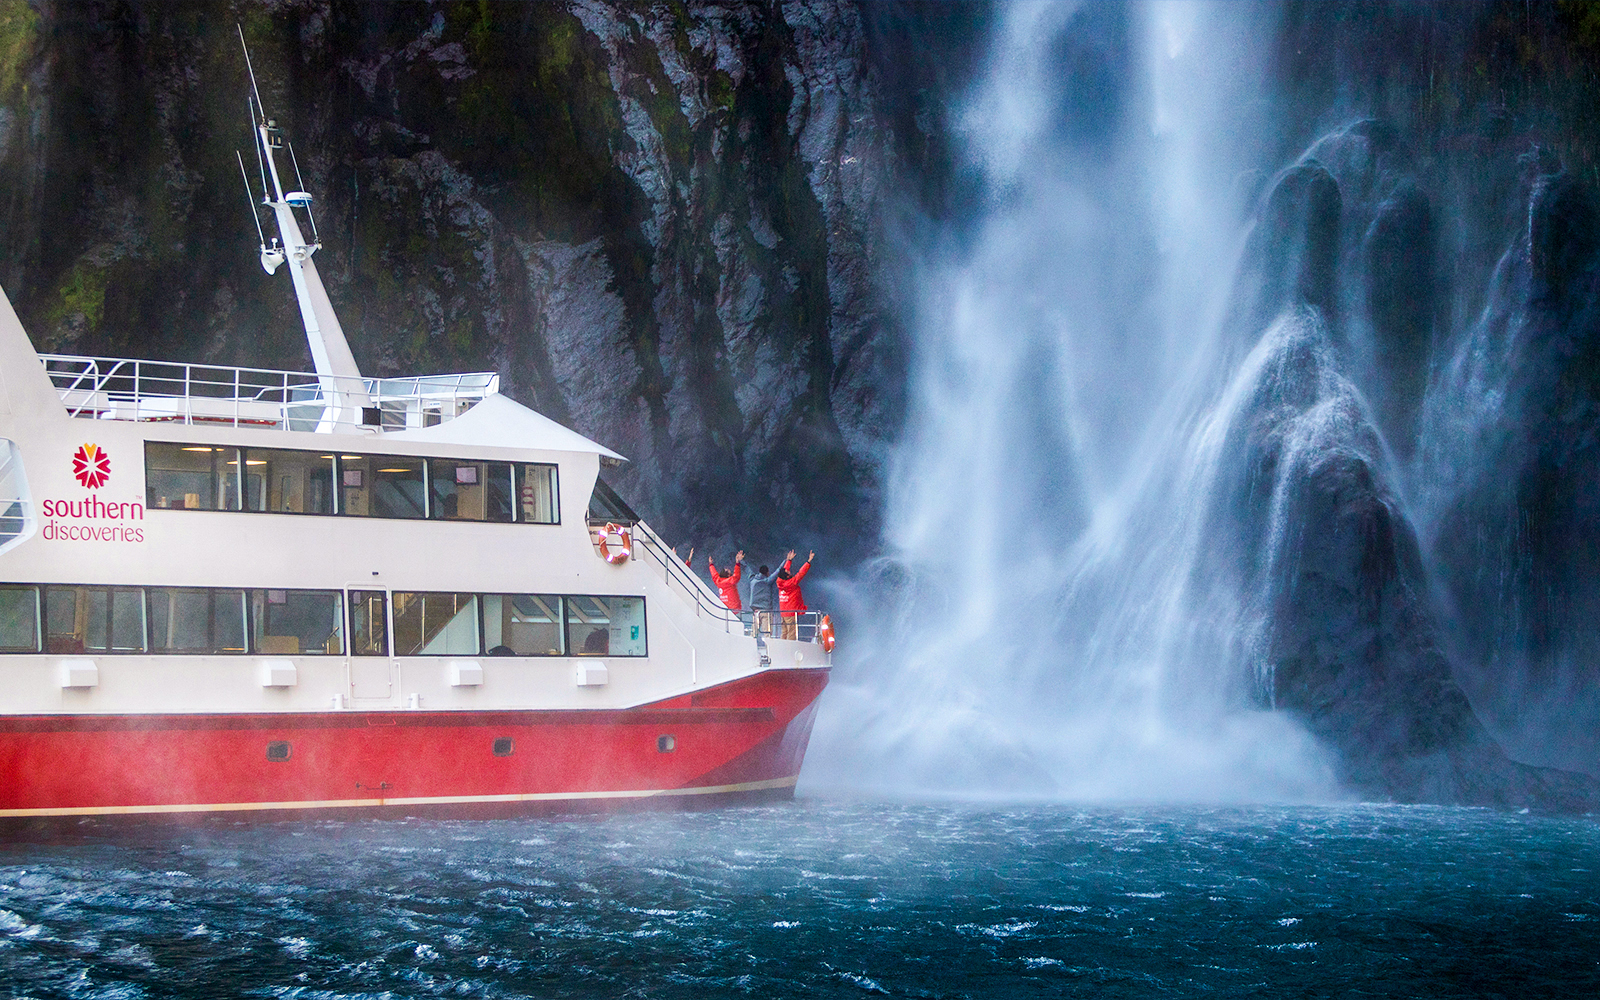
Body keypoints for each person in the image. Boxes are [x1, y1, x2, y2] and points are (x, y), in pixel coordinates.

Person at [777, 549, 813, 640]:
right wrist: (808, 561)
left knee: (784, 632)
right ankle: (789, 650)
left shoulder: (779, 581)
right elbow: (801, 573)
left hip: (783, 611)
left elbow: (785, 571)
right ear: (787, 576)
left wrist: (789, 561)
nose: (789, 571)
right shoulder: (791, 583)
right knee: (791, 632)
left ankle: (781, 647)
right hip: (791, 611)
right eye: (788, 572)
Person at [745, 559, 782, 637]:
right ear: (767, 572)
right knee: (767, 634)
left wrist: (741, 561)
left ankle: (750, 647)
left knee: (753, 634)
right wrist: (786, 560)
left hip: (756, 611)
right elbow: (778, 571)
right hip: (766, 611)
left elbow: (747, 569)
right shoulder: (768, 580)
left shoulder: (753, 580)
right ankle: (768, 648)